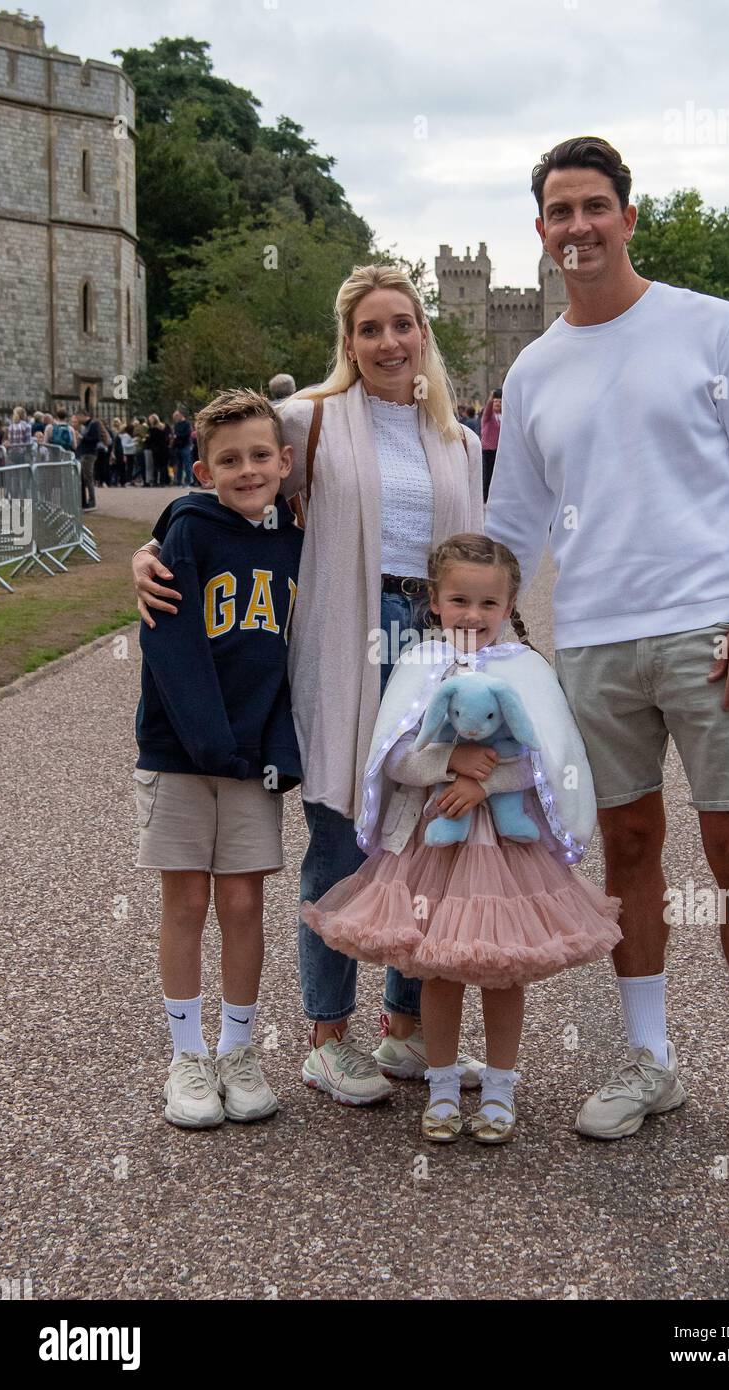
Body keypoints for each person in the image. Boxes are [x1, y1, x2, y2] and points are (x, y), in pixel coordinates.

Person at [487, 135, 729, 1166]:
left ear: (627, 215)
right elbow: (510, 520)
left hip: (708, 631)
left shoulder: (708, 329)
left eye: (591, 206)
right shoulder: (533, 369)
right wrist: (483, 642)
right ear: (538, 234)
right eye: (556, 212)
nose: (575, 226)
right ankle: (647, 1057)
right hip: (591, 640)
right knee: (623, 854)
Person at [133, 264, 486, 1106]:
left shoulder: (459, 441)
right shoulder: (314, 420)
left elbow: (473, 555)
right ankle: (329, 1034)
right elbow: (229, 478)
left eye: (402, 325)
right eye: (369, 330)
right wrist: (151, 552)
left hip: (430, 642)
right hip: (344, 634)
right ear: (349, 343)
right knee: (342, 834)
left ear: (422, 333)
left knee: (427, 833)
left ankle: (406, 1028)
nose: (388, 342)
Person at [302, 534, 621, 1142]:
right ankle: (443, 1087)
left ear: (510, 602)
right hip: (433, 847)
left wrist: (485, 781)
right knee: (437, 967)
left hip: (509, 852)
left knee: (505, 969)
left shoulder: (528, 667)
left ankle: (500, 1090)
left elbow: (549, 758)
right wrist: (450, 764)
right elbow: (395, 755)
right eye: (459, 601)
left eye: (486, 603)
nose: (472, 616)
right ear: (434, 600)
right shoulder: (422, 661)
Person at [134, 387, 303, 1128]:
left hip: (250, 761)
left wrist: (277, 752)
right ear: (202, 470)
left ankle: (239, 1048)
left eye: (260, 455)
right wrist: (210, 743)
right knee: (187, 902)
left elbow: (297, 658)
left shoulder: (296, 547)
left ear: (285, 461)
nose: (247, 469)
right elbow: (170, 645)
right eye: (228, 459)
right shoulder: (188, 532)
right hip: (180, 750)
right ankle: (186, 1055)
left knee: (242, 903)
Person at [75, 409, 101, 510]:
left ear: (83, 415)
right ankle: (87, 500)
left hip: (89, 453)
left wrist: (83, 438)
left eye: (78, 417)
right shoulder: (87, 425)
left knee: (88, 477)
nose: (77, 419)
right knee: (85, 477)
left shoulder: (93, 424)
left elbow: (96, 439)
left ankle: (92, 500)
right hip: (86, 453)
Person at [480, 389, 502, 501]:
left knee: (496, 474)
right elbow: (488, 408)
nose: (498, 404)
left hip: (497, 450)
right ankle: (485, 497)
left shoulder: (501, 417)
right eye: (496, 402)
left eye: (500, 402)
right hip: (488, 449)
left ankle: (494, 495)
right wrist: (491, 397)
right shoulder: (488, 416)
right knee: (487, 474)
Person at [172, 410, 194, 486]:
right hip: (178, 447)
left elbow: (187, 434)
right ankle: (179, 481)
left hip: (185, 446)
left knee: (187, 464)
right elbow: (175, 434)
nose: (175, 418)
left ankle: (189, 481)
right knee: (179, 465)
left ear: (181, 415)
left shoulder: (187, 424)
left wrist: (177, 436)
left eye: (176, 416)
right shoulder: (176, 425)